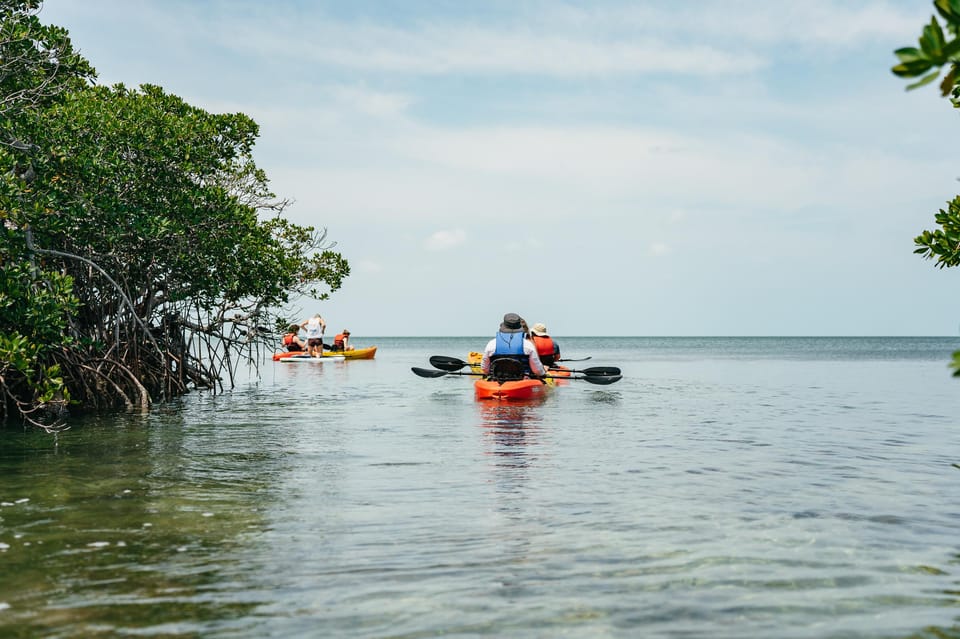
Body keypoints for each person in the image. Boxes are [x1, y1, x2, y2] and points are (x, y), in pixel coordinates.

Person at [480, 312, 546, 379]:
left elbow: (484, 368)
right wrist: (543, 373)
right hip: (522, 380)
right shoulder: (528, 345)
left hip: (497, 379)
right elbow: (537, 370)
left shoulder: (491, 344)